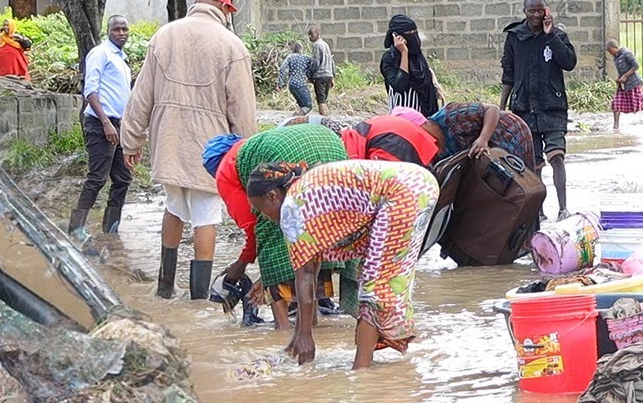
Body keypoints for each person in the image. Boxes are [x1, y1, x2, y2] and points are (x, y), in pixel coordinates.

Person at [122, 0, 258, 299]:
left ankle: (165, 286)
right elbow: (242, 109)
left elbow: (141, 96)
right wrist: (248, 156)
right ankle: (199, 299)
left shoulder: (164, 36)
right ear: (225, 8)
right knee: (206, 215)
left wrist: (132, 140)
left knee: (174, 207)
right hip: (210, 149)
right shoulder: (232, 46)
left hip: (167, 140)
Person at [246, 160, 438, 370]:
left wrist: (304, 335)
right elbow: (312, 264)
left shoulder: (293, 206)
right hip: (417, 183)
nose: (264, 216)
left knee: (376, 285)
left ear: (272, 196)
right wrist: (302, 330)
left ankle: (360, 373)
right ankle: (366, 365)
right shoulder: (302, 189)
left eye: (261, 210)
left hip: (402, 194)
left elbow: (306, 274)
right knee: (376, 276)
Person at [203, 123, 348, 329]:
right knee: (318, 226)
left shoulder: (225, 172)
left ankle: (282, 328)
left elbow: (254, 228)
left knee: (270, 235)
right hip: (332, 144)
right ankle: (311, 318)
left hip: (287, 153)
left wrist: (239, 267)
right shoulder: (251, 149)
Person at [500, 0, 577, 220]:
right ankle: (539, 212)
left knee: (557, 158)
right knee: (534, 165)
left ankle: (563, 209)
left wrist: (550, 35)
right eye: (531, 11)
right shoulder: (515, 37)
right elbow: (508, 74)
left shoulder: (557, 36)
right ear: (524, 11)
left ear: (547, 10)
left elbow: (569, 63)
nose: (536, 15)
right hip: (524, 108)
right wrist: (502, 108)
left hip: (552, 107)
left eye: (540, 10)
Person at [69, 15, 133, 240]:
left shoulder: (122, 59)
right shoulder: (100, 53)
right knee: (97, 177)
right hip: (100, 123)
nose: (121, 33)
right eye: (117, 29)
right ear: (108, 31)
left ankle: (111, 228)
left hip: (119, 125)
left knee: (123, 178)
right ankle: (76, 228)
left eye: (125, 29)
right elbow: (90, 90)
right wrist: (105, 122)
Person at [424, 101, 537, 169]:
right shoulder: (428, 151)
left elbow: (492, 109)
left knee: (519, 180)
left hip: (507, 131)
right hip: (489, 152)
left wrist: (483, 139)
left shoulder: (452, 115)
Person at [381, 14, 441, 118]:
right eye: (408, 33)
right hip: (402, 119)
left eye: (414, 32)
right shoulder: (389, 58)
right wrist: (404, 53)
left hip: (424, 118)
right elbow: (400, 85)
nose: (413, 36)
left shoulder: (418, 58)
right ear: (396, 36)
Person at [606, 39, 643, 131]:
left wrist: (625, 76)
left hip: (633, 83)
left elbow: (636, 66)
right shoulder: (616, 57)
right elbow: (621, 70)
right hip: (623, 85)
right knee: (616, 103)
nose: (610, 53)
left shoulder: (626, 53)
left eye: (610, 50)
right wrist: (619, 79)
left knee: (642, 103)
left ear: (615, 47)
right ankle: (616, 125)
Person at [277, 41, 316, 115]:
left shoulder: (290, 57)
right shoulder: (306, 58)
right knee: (308, 106)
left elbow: (282, 69)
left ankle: (297, 120)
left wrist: (280, 84)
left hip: (291, 84)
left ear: (293, 49)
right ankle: (294, 120)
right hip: (300, 84)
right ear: (301, 49)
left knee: (302, 106)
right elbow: (314, 66)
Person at [308, 25, 335, 116]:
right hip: (328, 74)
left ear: (318, 34)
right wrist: (332, 76)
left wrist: (310, 74)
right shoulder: (326, 44)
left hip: (320, 75)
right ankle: (327, 118)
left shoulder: (316, 45)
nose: (310, 37)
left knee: (320, 99)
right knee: (324, 99)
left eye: (311, 35)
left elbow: (315, 61)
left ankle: (323, 119)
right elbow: (331, 61)